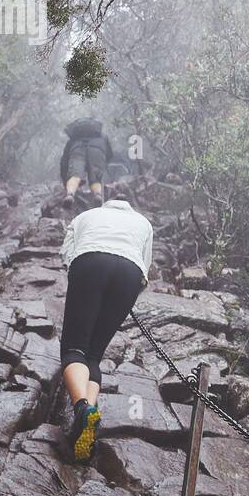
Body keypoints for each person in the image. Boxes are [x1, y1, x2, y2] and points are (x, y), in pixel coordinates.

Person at [58, 189, 154, 462]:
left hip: (90, 261)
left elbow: (68, 252)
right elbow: (144, 265)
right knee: (94, 355)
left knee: (74, 348)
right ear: (129, 206)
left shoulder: (86, 214)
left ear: (106, 202)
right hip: (129, 273)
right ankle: (88, 415)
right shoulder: (143, 223)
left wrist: (81, 282)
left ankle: (82, 409)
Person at [59, 117, 115, 210]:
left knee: (75, 175)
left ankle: (70, 194)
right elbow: (109, 154)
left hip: (77, 149)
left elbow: (64, 161)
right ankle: (97, 195)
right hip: (97, 150)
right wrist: (102, 164)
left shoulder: (73, 139)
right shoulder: (102, 136)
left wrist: (65, 180)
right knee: (96, 178)